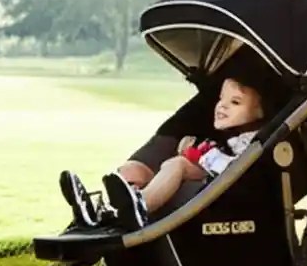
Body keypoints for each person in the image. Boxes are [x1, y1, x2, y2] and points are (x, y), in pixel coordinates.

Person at [59, 77, 266, 231]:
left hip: (223, 189)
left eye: (235, 102)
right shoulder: (227, 135)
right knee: (132, 171)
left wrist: (201, 154)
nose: (222, 105)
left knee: (176, 165)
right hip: (203, 175)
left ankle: (140, 209)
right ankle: (99, 213)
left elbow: (235, 170)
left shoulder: (253, 139)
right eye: (221, 99)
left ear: (260, 112)